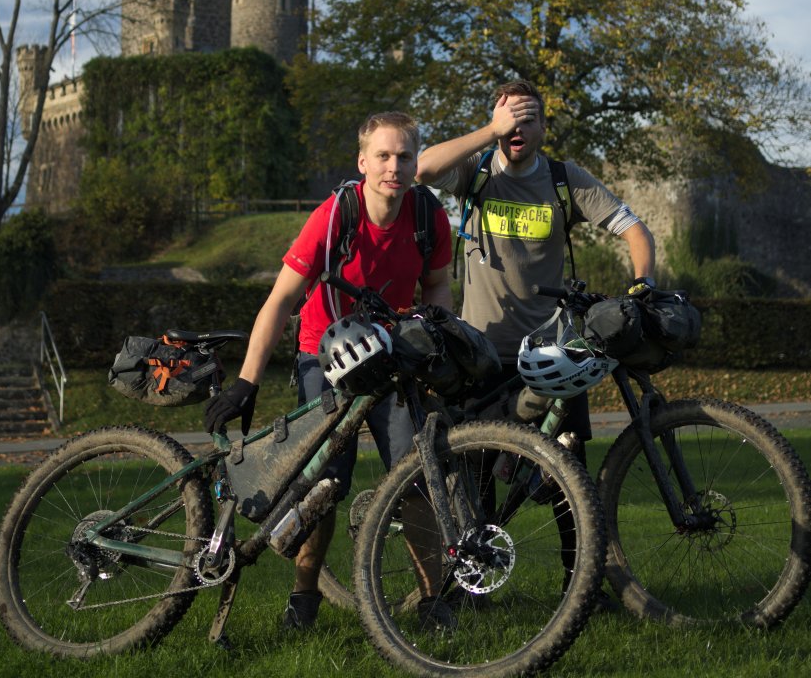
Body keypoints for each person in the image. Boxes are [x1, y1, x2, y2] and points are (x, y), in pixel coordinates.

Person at [205, 110, 453, 631]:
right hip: (326, 354)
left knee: (415, 476)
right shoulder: (334, 216)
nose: (394, 166)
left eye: (404, 156)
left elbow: (436, 287)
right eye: (383, 156)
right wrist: (248, 381)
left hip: (390, 356)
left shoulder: (430, 217)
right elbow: (279, 302)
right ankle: (304, 596)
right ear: (363, 162)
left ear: (415, 162)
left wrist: (432, 331)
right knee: (323, 485)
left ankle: (434, 601)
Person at [415, 78, 655, 454]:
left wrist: (643, 285)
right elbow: (423, 169)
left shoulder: (565, 179)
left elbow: (637, 232)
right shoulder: (475, 173)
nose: (517, 128)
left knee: (568, 483)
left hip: (553, 355)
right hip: (481, 357)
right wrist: (492, 129)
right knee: (479, 485)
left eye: (528, 119)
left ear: (543, 128)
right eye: (510, 117)